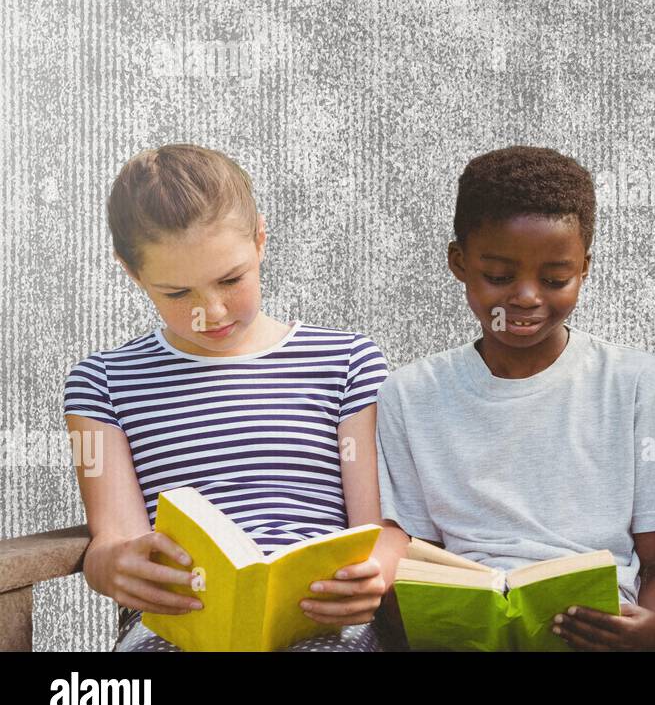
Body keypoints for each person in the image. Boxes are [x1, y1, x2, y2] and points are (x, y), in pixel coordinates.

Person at [63, 144, 406, 651]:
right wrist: (110, 566)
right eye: (178, 294)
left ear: (261, 240)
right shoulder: (102, 381)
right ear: (132, 273)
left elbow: (380, 527)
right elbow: (113, 539)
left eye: (230, 279)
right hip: (182, 624)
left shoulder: (349, 361)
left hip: (322, 620)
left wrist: (374, 574)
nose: (213, 311)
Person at [375, 145, 655, 650]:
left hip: (594, 628)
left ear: (584, 268)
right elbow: (417, 553)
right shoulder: (409, 394)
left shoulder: (640, 383)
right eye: (498, 276)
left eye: (555, 279)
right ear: (458, 262)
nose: (525, 297)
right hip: (466, 630)